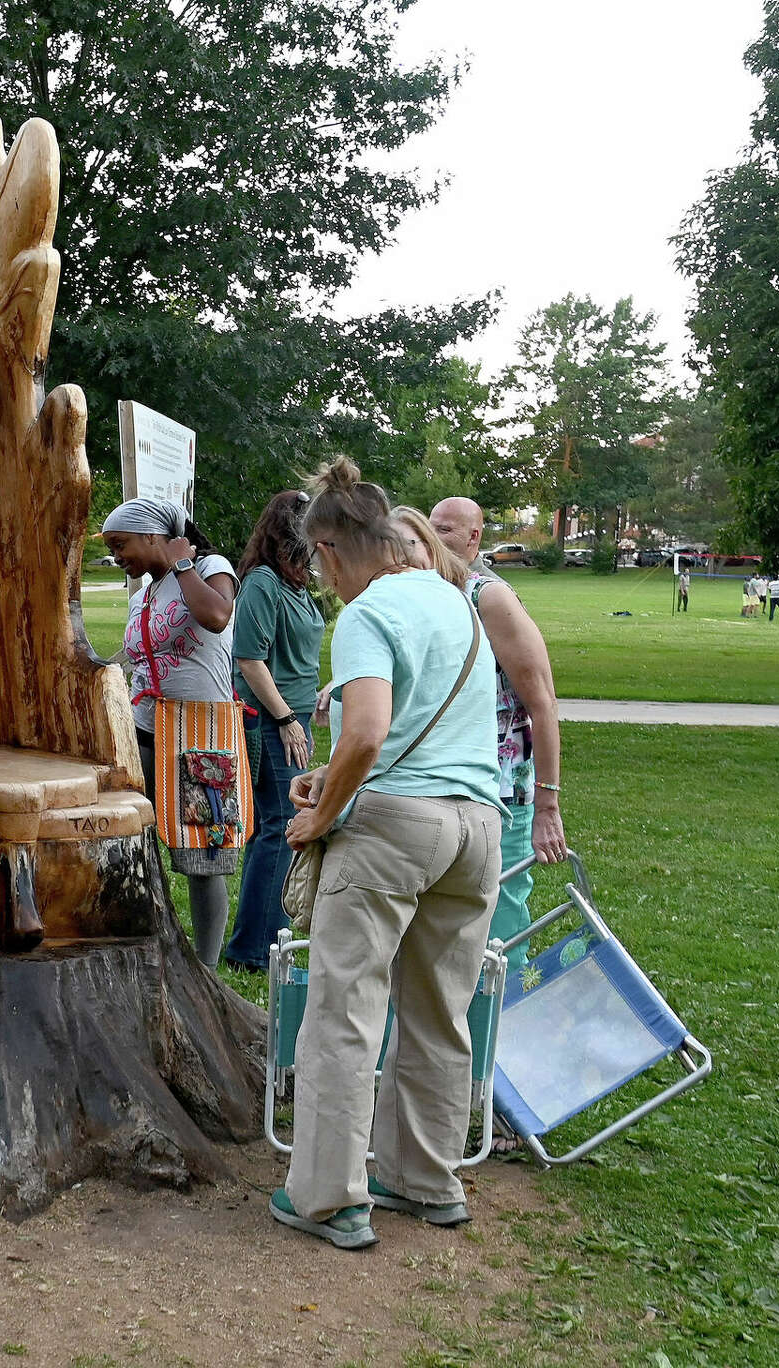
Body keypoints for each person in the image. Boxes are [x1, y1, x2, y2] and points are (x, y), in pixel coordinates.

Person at [269, 458, 503, 1252]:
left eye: (317, 566)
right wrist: (327, 782)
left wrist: (318, 816)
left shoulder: (367, 614)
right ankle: (427, 1181)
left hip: (395, 827)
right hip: (477, 828)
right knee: (441, 1013)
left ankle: (329, 1199)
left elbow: (366, 733)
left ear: (329, 551)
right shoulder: (455, 599)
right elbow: (404, 734)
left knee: (344, 1011)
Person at [430, 498, 569, 972]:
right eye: (430, 528)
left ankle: (496, 1032)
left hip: (502, 790)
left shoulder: (488, 596)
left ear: (474, 538)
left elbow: (543, 702)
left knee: (499, 931)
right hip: (443, 786)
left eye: (447, 529)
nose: (435, 536)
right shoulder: (430, 592)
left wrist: (547, 804)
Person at [102, 497, 241, 968]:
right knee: (136, 845)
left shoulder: (208, 567)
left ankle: (205, 969)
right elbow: (141, 657)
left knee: (201, 855)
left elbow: (216, 617)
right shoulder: (143, 593)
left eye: (122, 545)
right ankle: (153, 947)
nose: (118, 557)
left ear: (152, 536)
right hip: (144, 732)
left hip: (199, 734)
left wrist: (183, 564)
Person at [221, 490, 323, 973]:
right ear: (283, 542)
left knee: (284, 828)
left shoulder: (297, 587)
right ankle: (253, 950)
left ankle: (267, 941)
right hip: (271, 723)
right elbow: (249, 659)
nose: (311, 560)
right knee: (279, 830)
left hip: (295, 721)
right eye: (304, 548)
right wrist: (285, 719)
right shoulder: (263, 582)